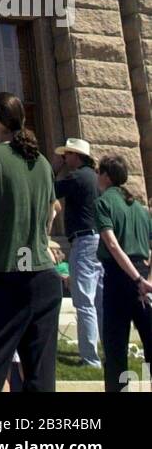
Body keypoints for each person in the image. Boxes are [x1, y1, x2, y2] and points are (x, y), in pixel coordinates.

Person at [0, 92, 63, 393]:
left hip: (4, 276)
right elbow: (50, 213)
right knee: (40, 378)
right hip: (44, 280)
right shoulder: (43, 163)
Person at [94, 153, 152, 393]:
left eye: (99, 172)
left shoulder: (104, 203)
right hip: (143, 276)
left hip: (120, 277)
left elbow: (112, 244)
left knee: (116, 345)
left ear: (106, 176)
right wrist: (147, 280)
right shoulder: (139, 208)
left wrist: (135, 279)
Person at [53, 136, 103, 369]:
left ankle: (90, 358)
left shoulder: (75, 177)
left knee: (84, 301)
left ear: (77, 156)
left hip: (83, 241)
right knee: (100, 301)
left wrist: (55, 168)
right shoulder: (95, 178)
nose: (64, 158)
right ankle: (107, 349)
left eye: (67, 155)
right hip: (100, 240)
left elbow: (49, 188)